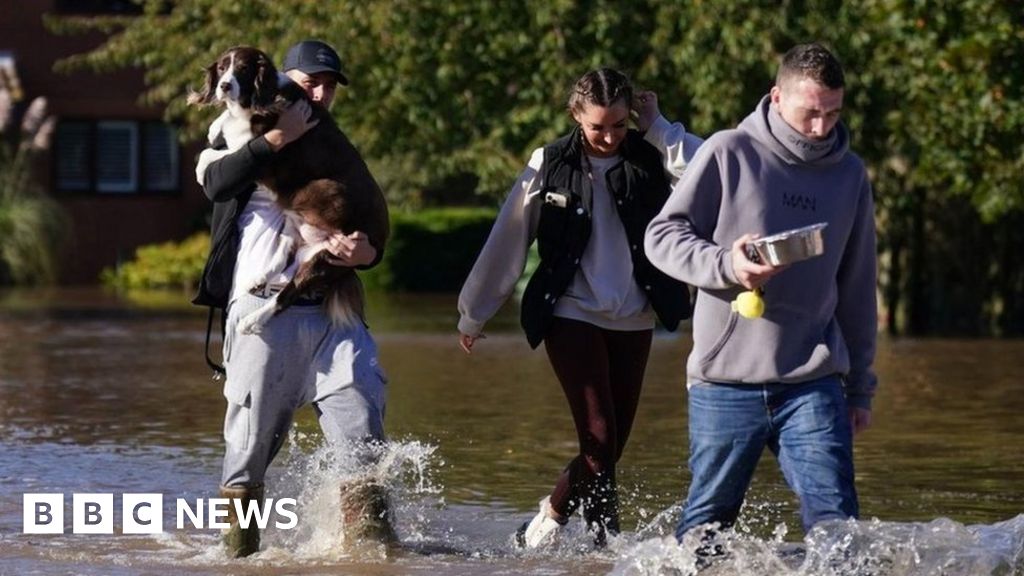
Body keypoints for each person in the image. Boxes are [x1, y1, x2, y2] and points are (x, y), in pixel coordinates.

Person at [457, 68, 703, 548]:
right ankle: (579, 535)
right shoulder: (549, 161)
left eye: (618, 125)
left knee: (611, 447)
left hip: (634, 315)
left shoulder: (651, 153)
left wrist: (659, 127)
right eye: (597, 127)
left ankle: (587, 543)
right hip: (569, 311)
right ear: (576, 115)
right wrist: (475, 311)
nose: (609, 137)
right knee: (600, 437)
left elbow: (709, 176)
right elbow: (510, 235)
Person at [643, 43, 878, 545]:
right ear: (776, 97)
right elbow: (661, 237)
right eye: (810, 113)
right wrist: (728, 264)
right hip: (724, 380)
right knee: (705, 531)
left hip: (813, 378)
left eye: (833, 113)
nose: (821, 128)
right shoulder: (729, 151)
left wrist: (860, 387)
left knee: (838, 525)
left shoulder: (850, 175)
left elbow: (857, 287)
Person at [192, 40, 391, 557]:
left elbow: (365, 213)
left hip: (332, 308)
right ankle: (236, 557)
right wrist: (278, 137)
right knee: (247, 455)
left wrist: (367, 252)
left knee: (363, 437)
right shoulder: (229, 136)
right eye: (311, 83)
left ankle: (371, 560)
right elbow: (215, 183)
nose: (321, 94)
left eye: (330, 85)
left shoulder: (334, 145)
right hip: (260, 310)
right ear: (282, 81)